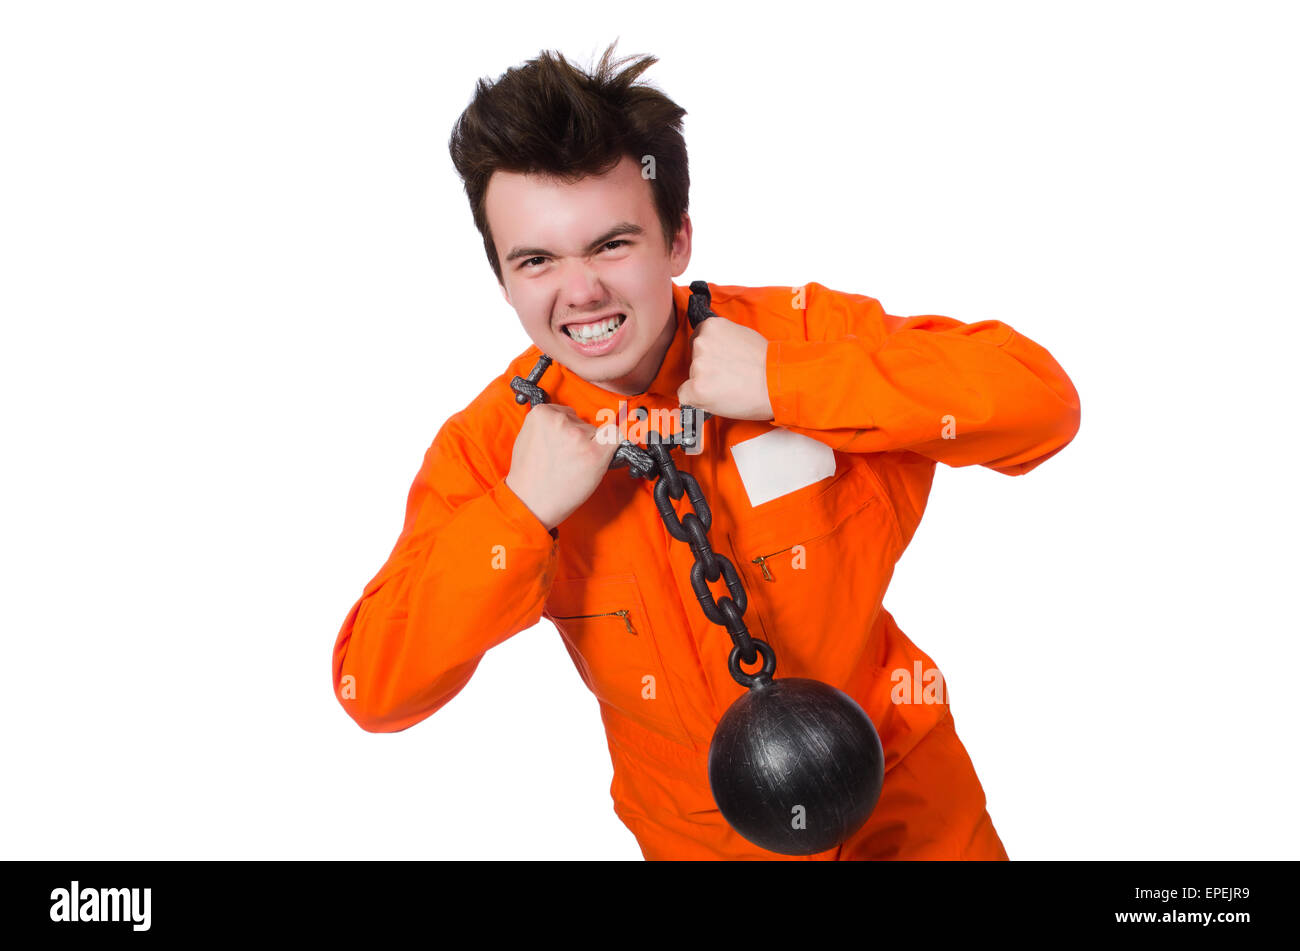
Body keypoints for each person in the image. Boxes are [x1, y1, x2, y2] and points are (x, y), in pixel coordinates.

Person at [331, 41, 1081, 860]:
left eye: (612, 244)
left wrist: (790, 383)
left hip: (907, 799)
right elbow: (374, 685)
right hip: (705, 838)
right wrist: (520, 513)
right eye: (537, 259)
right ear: (503, 279)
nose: (580, 291)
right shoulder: (494, 450)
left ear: (677, 239)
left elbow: (1041, 403)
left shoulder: (795, 337)